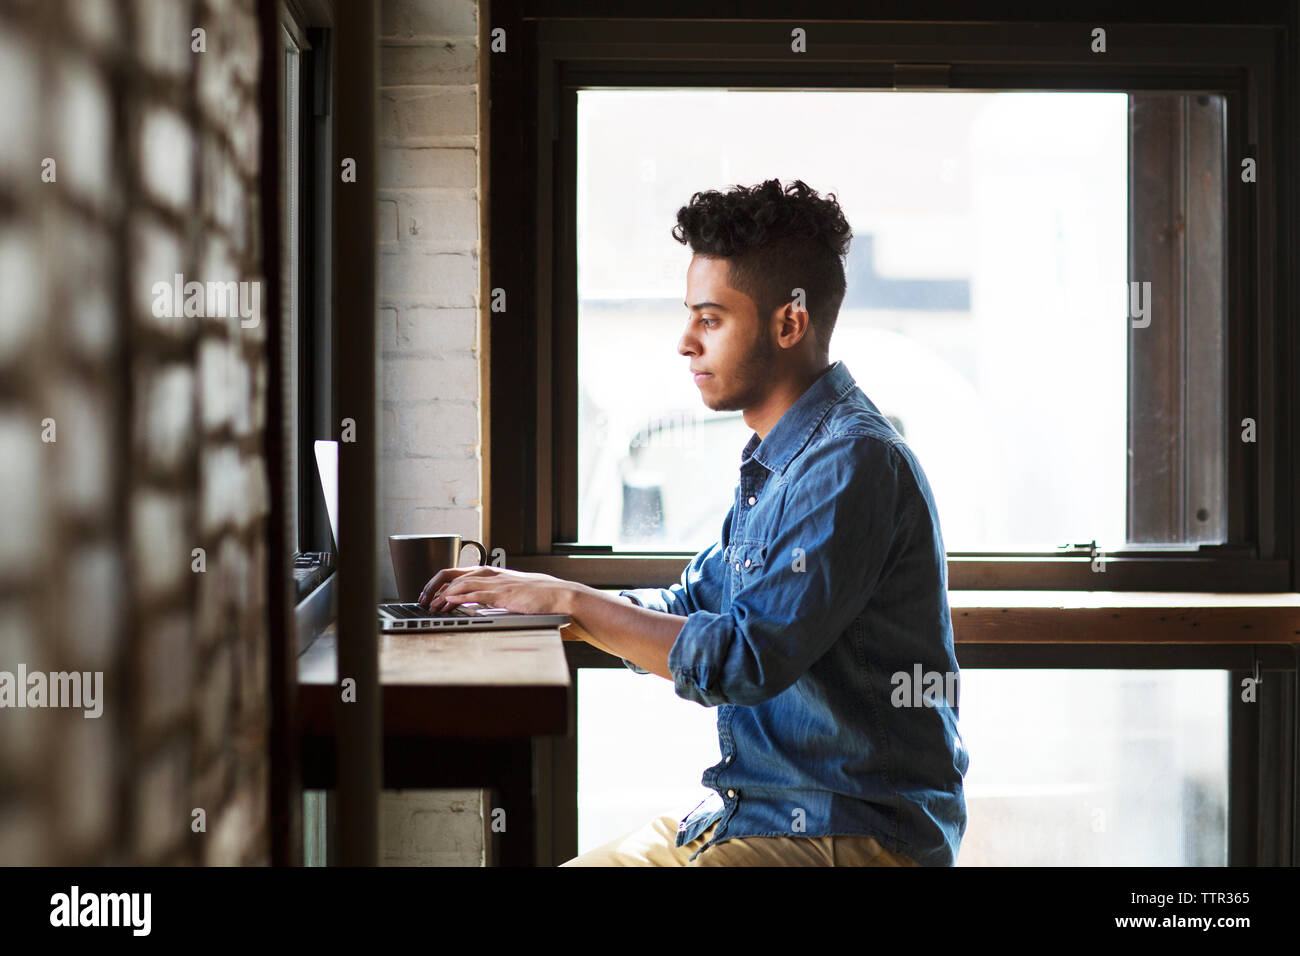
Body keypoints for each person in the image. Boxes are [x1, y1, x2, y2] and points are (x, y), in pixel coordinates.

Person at [418, 178, 969, 866]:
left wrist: (569, 601)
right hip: (751, 817)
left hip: (851, 835)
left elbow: (744, 659)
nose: (685, 342)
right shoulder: (778, 461)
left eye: (710, 319)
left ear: (788, 323)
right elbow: (690, 605)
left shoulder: (850, 464)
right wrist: (526, 603)